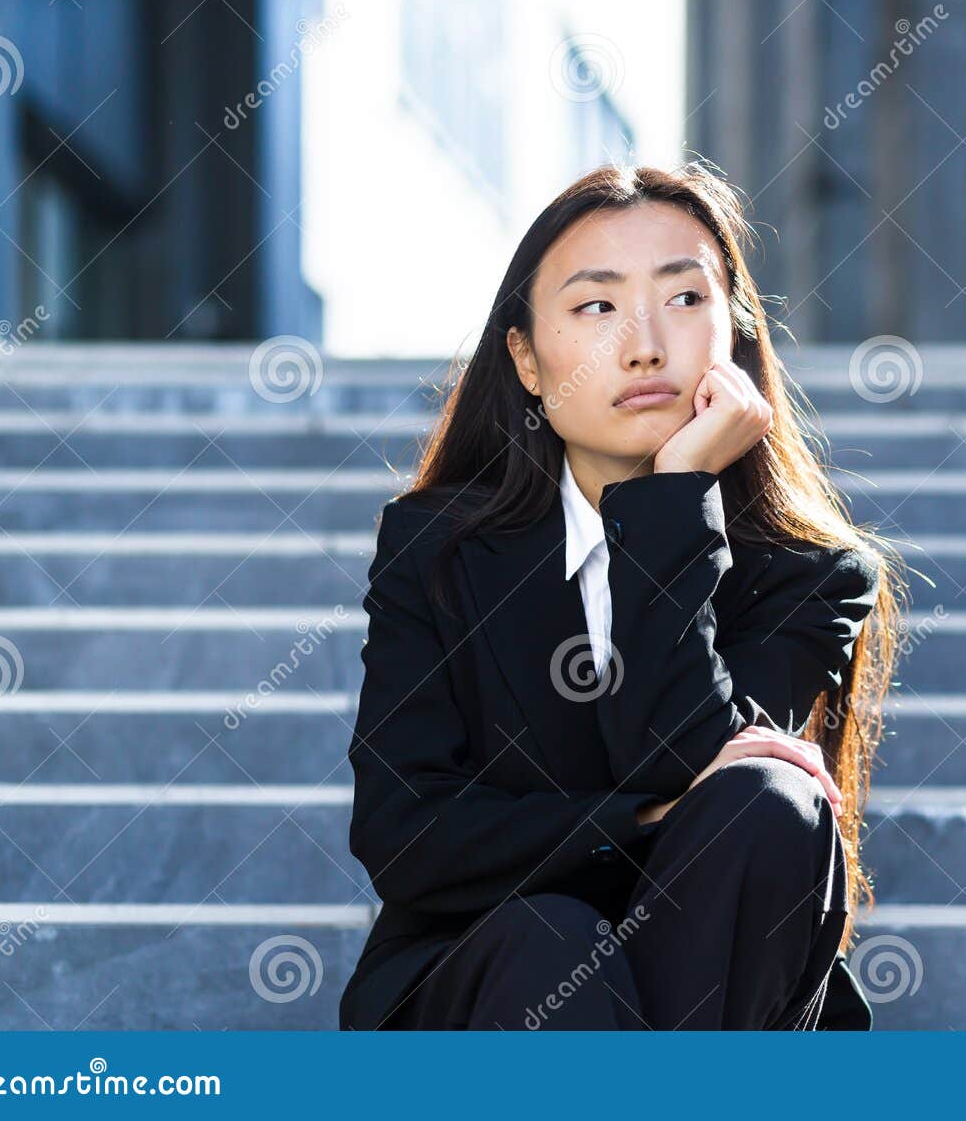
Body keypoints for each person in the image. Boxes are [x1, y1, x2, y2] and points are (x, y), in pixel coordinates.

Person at [337, 160, 905, 1031]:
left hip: (717, 980)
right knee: (551, 938)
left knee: (769, 801)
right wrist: (641, 815)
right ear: (527, 360)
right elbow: (407, 835)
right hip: (492, 991)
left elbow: (706, 781)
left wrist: (673, 495)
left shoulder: (810, 573)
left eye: (684, 299)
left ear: (735, 337)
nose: (645, 343)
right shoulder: (439, 551)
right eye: (597, 306)